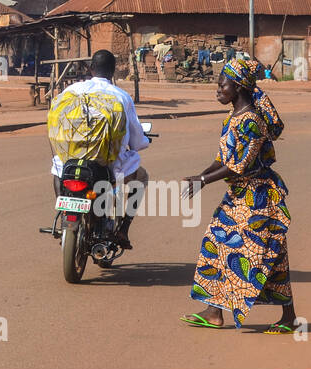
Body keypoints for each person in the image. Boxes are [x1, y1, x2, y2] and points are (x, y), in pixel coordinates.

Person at [179, 57, 296, 333]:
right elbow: (222, 158)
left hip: (257, 197)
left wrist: (205, 181)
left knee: (264, 254)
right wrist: (200, 176)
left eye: (223, 84)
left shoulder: (252, 121)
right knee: (219, 244)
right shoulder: (234, 117)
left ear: (239, 87)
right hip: (240, 196)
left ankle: (287, 316)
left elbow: (239, 165)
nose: (218, 89)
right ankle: (214, 311)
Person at [48, 50, 150, 249]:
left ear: (90, 68)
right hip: (106, 164)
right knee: (142, 177)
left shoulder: (70, 92)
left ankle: (64, 216)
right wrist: (142, 142)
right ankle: (123, 229)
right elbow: (137, 141)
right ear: (112, 72)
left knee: (57, 169)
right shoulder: (121, 96)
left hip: (69, 160)